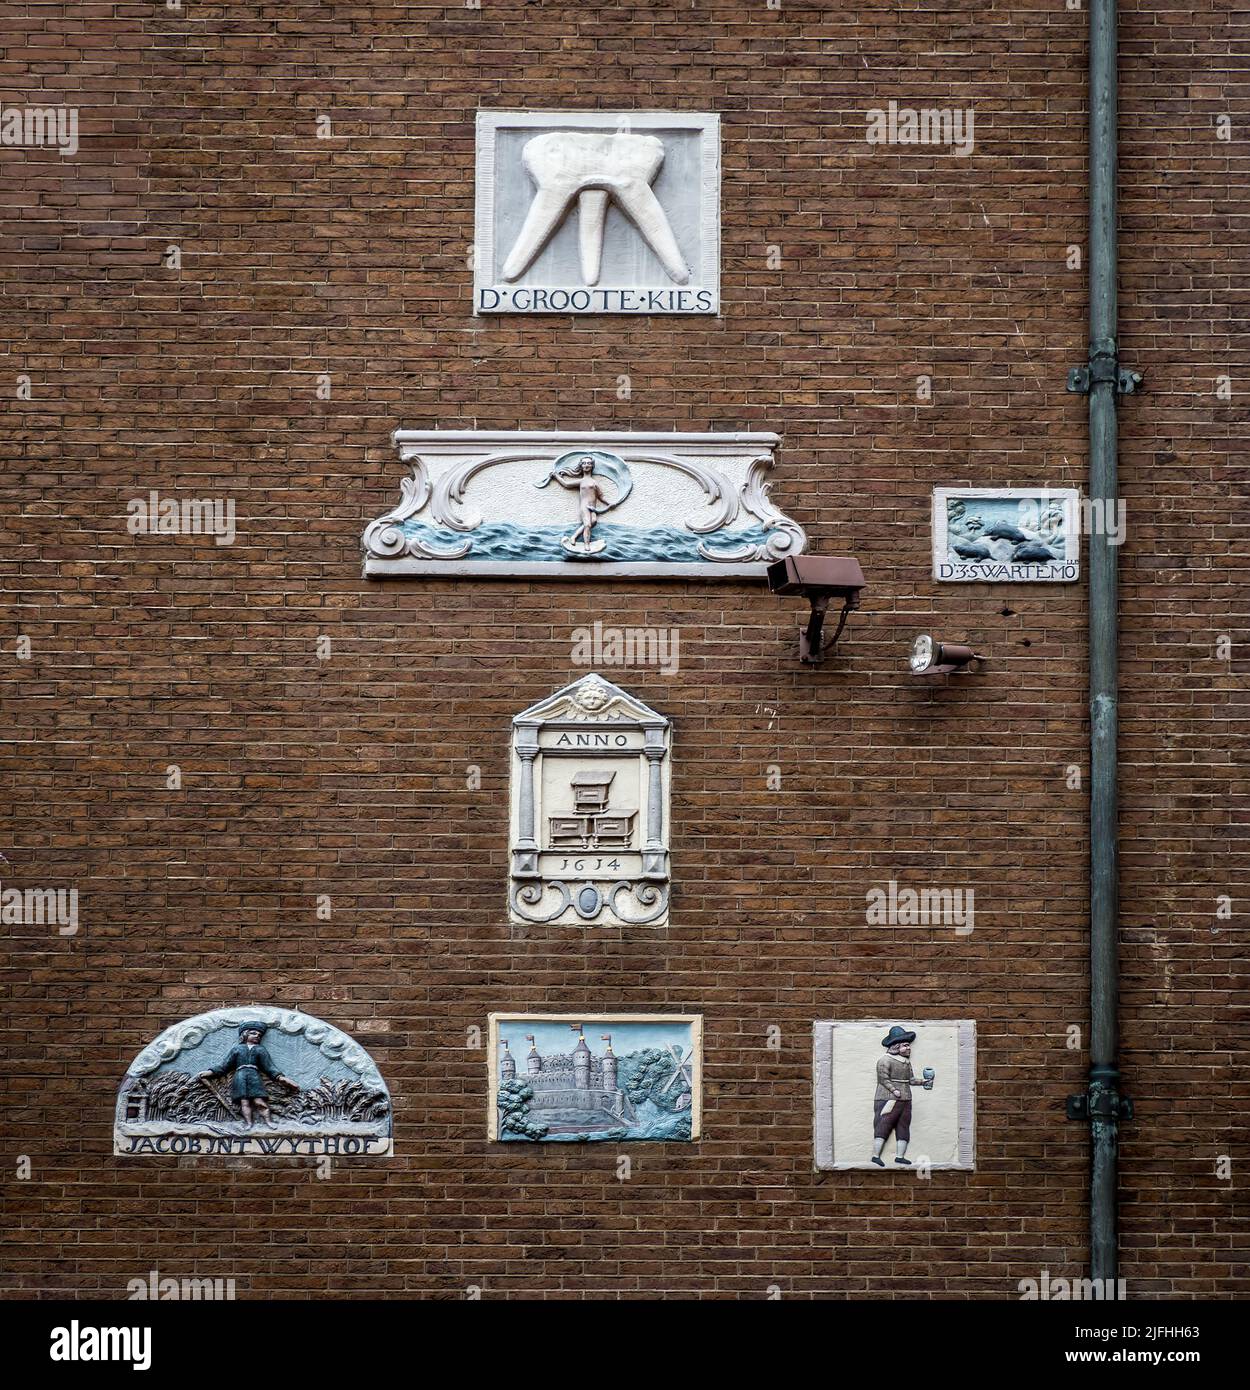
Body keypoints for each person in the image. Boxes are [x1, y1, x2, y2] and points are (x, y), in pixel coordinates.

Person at [198, 1022, 297, 1127]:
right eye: (254, 1033)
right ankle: (249, 1124)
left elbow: (269, 1067)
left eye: (259, 1035)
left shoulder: (260, 1050)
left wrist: (281, 1078)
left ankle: (269, 1122)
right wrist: (210, 1072)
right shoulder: (237, 1049)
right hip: (240, 1077)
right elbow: (224, 1065)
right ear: (245, 1034)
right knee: (244, 1102)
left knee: (259, 1101)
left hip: (254, 1077)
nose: (257, 1036)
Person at [871, 1025, 933, 1166]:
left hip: (905, 1098)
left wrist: (924, 1081)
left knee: (903, 1126)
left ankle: (900, 1156)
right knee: (883, 1125)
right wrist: (894, 1090)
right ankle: (876, 1155)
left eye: (909, 1045)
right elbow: (883, 1079)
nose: (909, 1048)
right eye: (906, 1045)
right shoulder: (884, 1060)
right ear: (896, 1046)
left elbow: (910, 1080)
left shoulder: (906, 1062)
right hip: (887, 1098)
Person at [552, 455, 611, 547]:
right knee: (587, 525)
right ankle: (586, 545)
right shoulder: (581, 481)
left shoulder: (595, 482)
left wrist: (610, 503)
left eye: (588, 463)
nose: (586, 465)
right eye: (584, 463)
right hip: (585, 506)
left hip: (593, 508)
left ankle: (574, 537)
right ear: (581, 466)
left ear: (592, 466)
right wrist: (556, 476)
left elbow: (601, 496)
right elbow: (566, 484)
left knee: (594, 521)